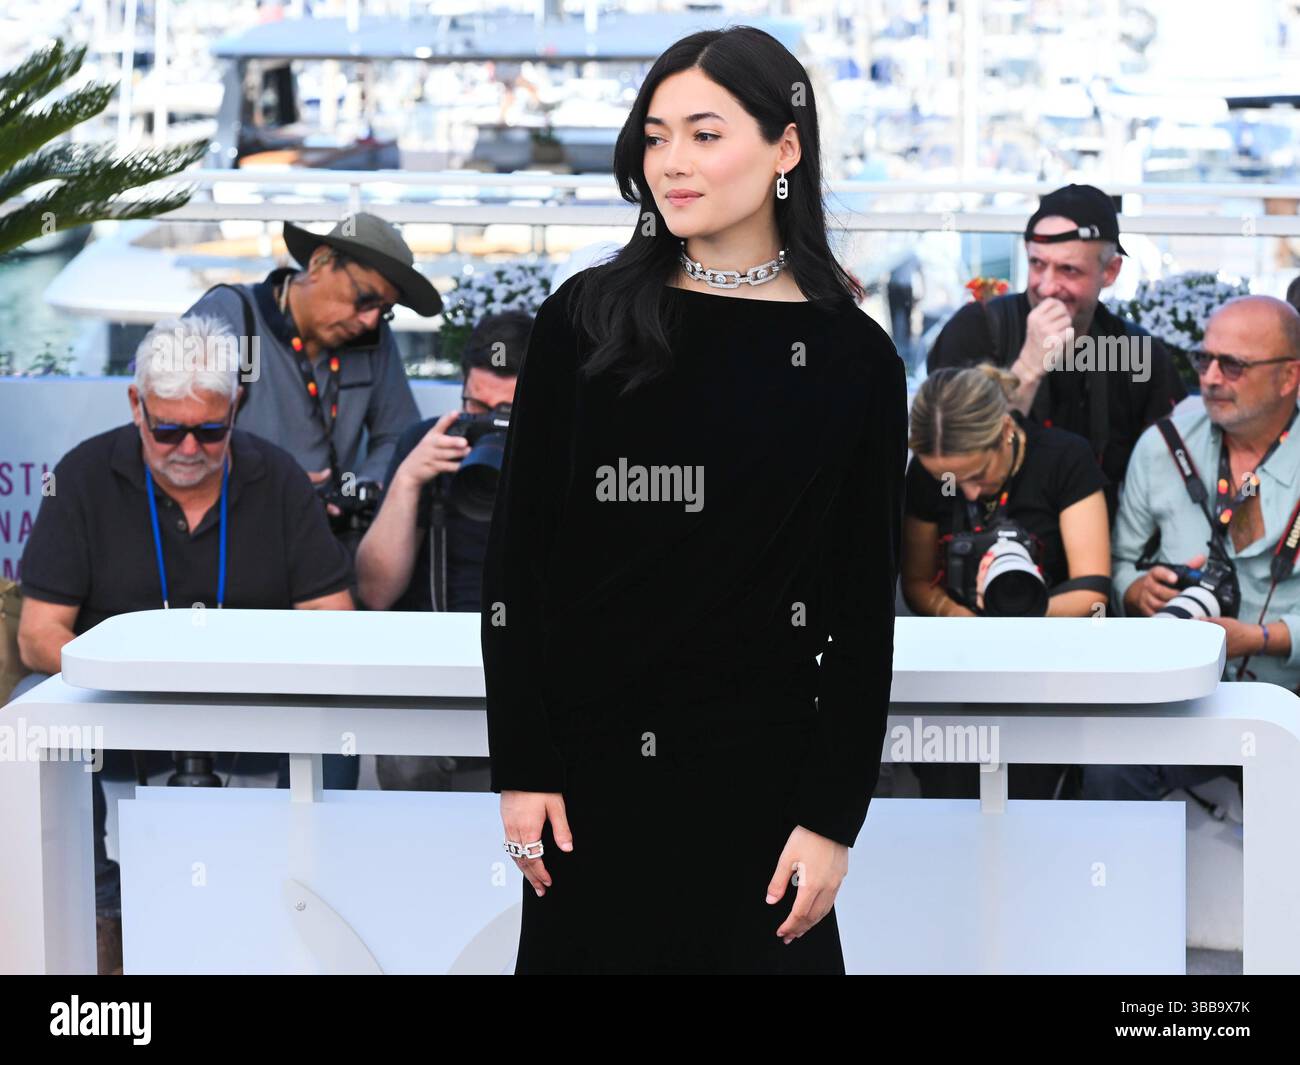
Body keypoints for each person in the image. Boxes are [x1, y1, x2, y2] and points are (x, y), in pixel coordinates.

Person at [480, 26, 908, 974]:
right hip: (587, 788)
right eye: (657, 134)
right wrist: (525, 765)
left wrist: (833, 818)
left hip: (762, 788)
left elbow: (859, 608)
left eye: (705, 134)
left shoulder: (853, 359)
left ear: (785, 146)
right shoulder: (584, 319)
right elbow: (517, 564)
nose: (671, 161)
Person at [15, 315, 354, 973]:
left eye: (211, 428)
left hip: (255, 707)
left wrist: (258, 677)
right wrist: (124, 678)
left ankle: (303, 912)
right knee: (36, 714)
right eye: (167, 428)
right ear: (136, 404)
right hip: (117, 706)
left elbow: (333, 617)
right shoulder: (84, 475)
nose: (189, 446)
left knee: (334, 731)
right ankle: (100, 919)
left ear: (238, 408)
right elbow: (37, 634)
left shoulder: (277, 478)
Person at [1085, 295, 1300, 801]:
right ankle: (1124, 880)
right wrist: (1135, 590)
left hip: (1289, 690)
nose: (1210, 378)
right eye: (1205, 359)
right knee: (1108, 766)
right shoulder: (1165, 443)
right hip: (1181, 697)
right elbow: (1116, 564)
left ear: (1289, 377)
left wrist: (1263, 637)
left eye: (1234, 365)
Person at [900, 363, 1111, 799]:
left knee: (1036, 801)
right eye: (951, 482)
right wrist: (961, 618)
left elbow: (1092, 590)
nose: (969, 493)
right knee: (948, 798)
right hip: (956, 676)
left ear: (1005, 430)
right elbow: (917, 582)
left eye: (978, 475)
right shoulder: (925, 474)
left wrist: (1014, 618)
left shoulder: (1063, 457)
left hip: (1049, 670)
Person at [926, 183, 1187, 518]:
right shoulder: (979, 328)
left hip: (1100, 551)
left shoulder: (1136, 352)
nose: (1047, 286)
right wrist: (1029, 366)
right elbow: (949, 454)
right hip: (983, 546)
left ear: (1110, 272)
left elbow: (1169, 473)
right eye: (1037, 264)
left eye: (1069, 270)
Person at [184, 211, 439, 549]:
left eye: (384, 310)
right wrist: (270, 481)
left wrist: (364, 486)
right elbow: (178, 437)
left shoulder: (375, 339)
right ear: (320, 262)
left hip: (326, 539)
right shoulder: (227, 317)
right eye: (365, 298)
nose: (370, 320)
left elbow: (397, 435)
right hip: (233, 532)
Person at [357, 311, 529, 791]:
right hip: (435, 666)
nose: (488, 429)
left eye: (506, 414)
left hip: (527, 669)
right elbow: (374, 591)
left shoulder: (565, 449)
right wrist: (410, 480)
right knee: (408, 763)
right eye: (475, 407)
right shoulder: (430, 441)